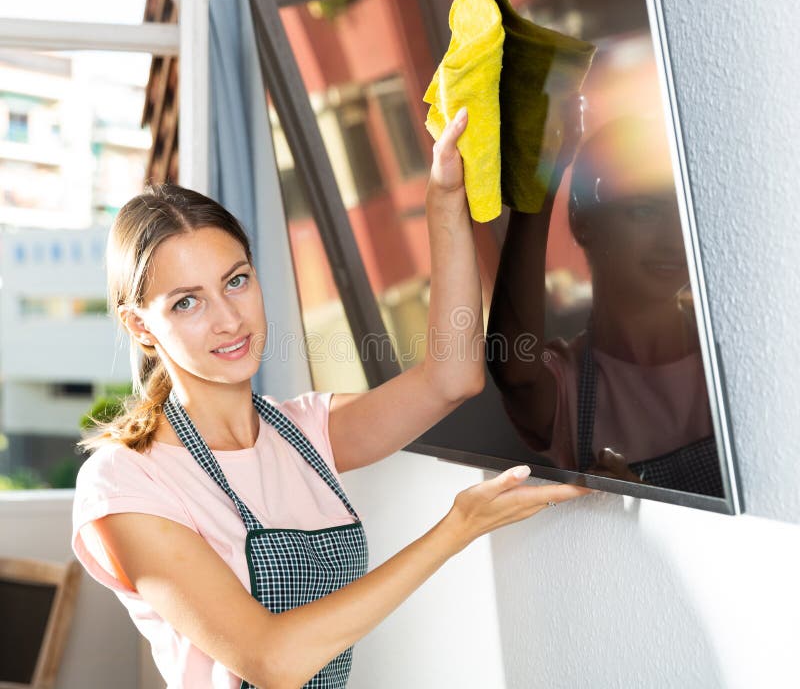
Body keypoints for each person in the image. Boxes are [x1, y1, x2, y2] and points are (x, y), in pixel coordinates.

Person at [71, 107, 589, 689]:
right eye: (186, 303)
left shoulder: (304, 434)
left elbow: (452, 377)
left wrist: (444, 197)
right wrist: (456, 529)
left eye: (236, 280)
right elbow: (273, 661)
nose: (229, 320)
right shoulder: (126, 482)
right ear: (139, 326)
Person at [487, 106, 723, 497]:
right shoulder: (568, 386)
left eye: (681, 209)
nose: (673, 237)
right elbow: (514, 369)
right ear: (583, 221)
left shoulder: (734, 344)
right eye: (644, 210)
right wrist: (543, 175)